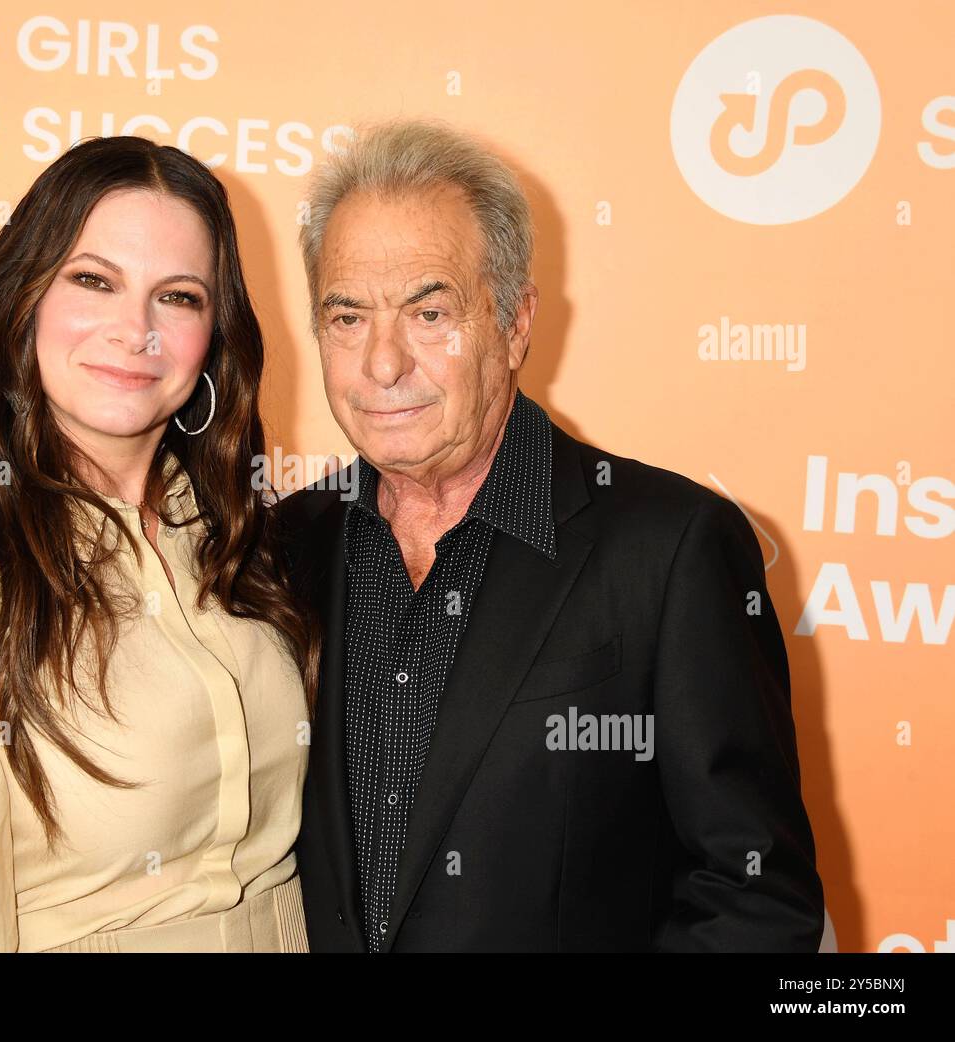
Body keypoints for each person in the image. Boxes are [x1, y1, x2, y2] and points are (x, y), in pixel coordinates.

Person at [278, 118, 825, 952]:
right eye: (347, 317)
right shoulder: (283, 548)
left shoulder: (670, 550)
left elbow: (753, 899)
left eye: (430, 312)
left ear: (516, 321)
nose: (382, 364)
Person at [0, 135, 319, 952]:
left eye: (178, 297)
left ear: (215, 337)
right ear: (24, 299)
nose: (134, 328)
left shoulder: (239, 542)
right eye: (93, 280)